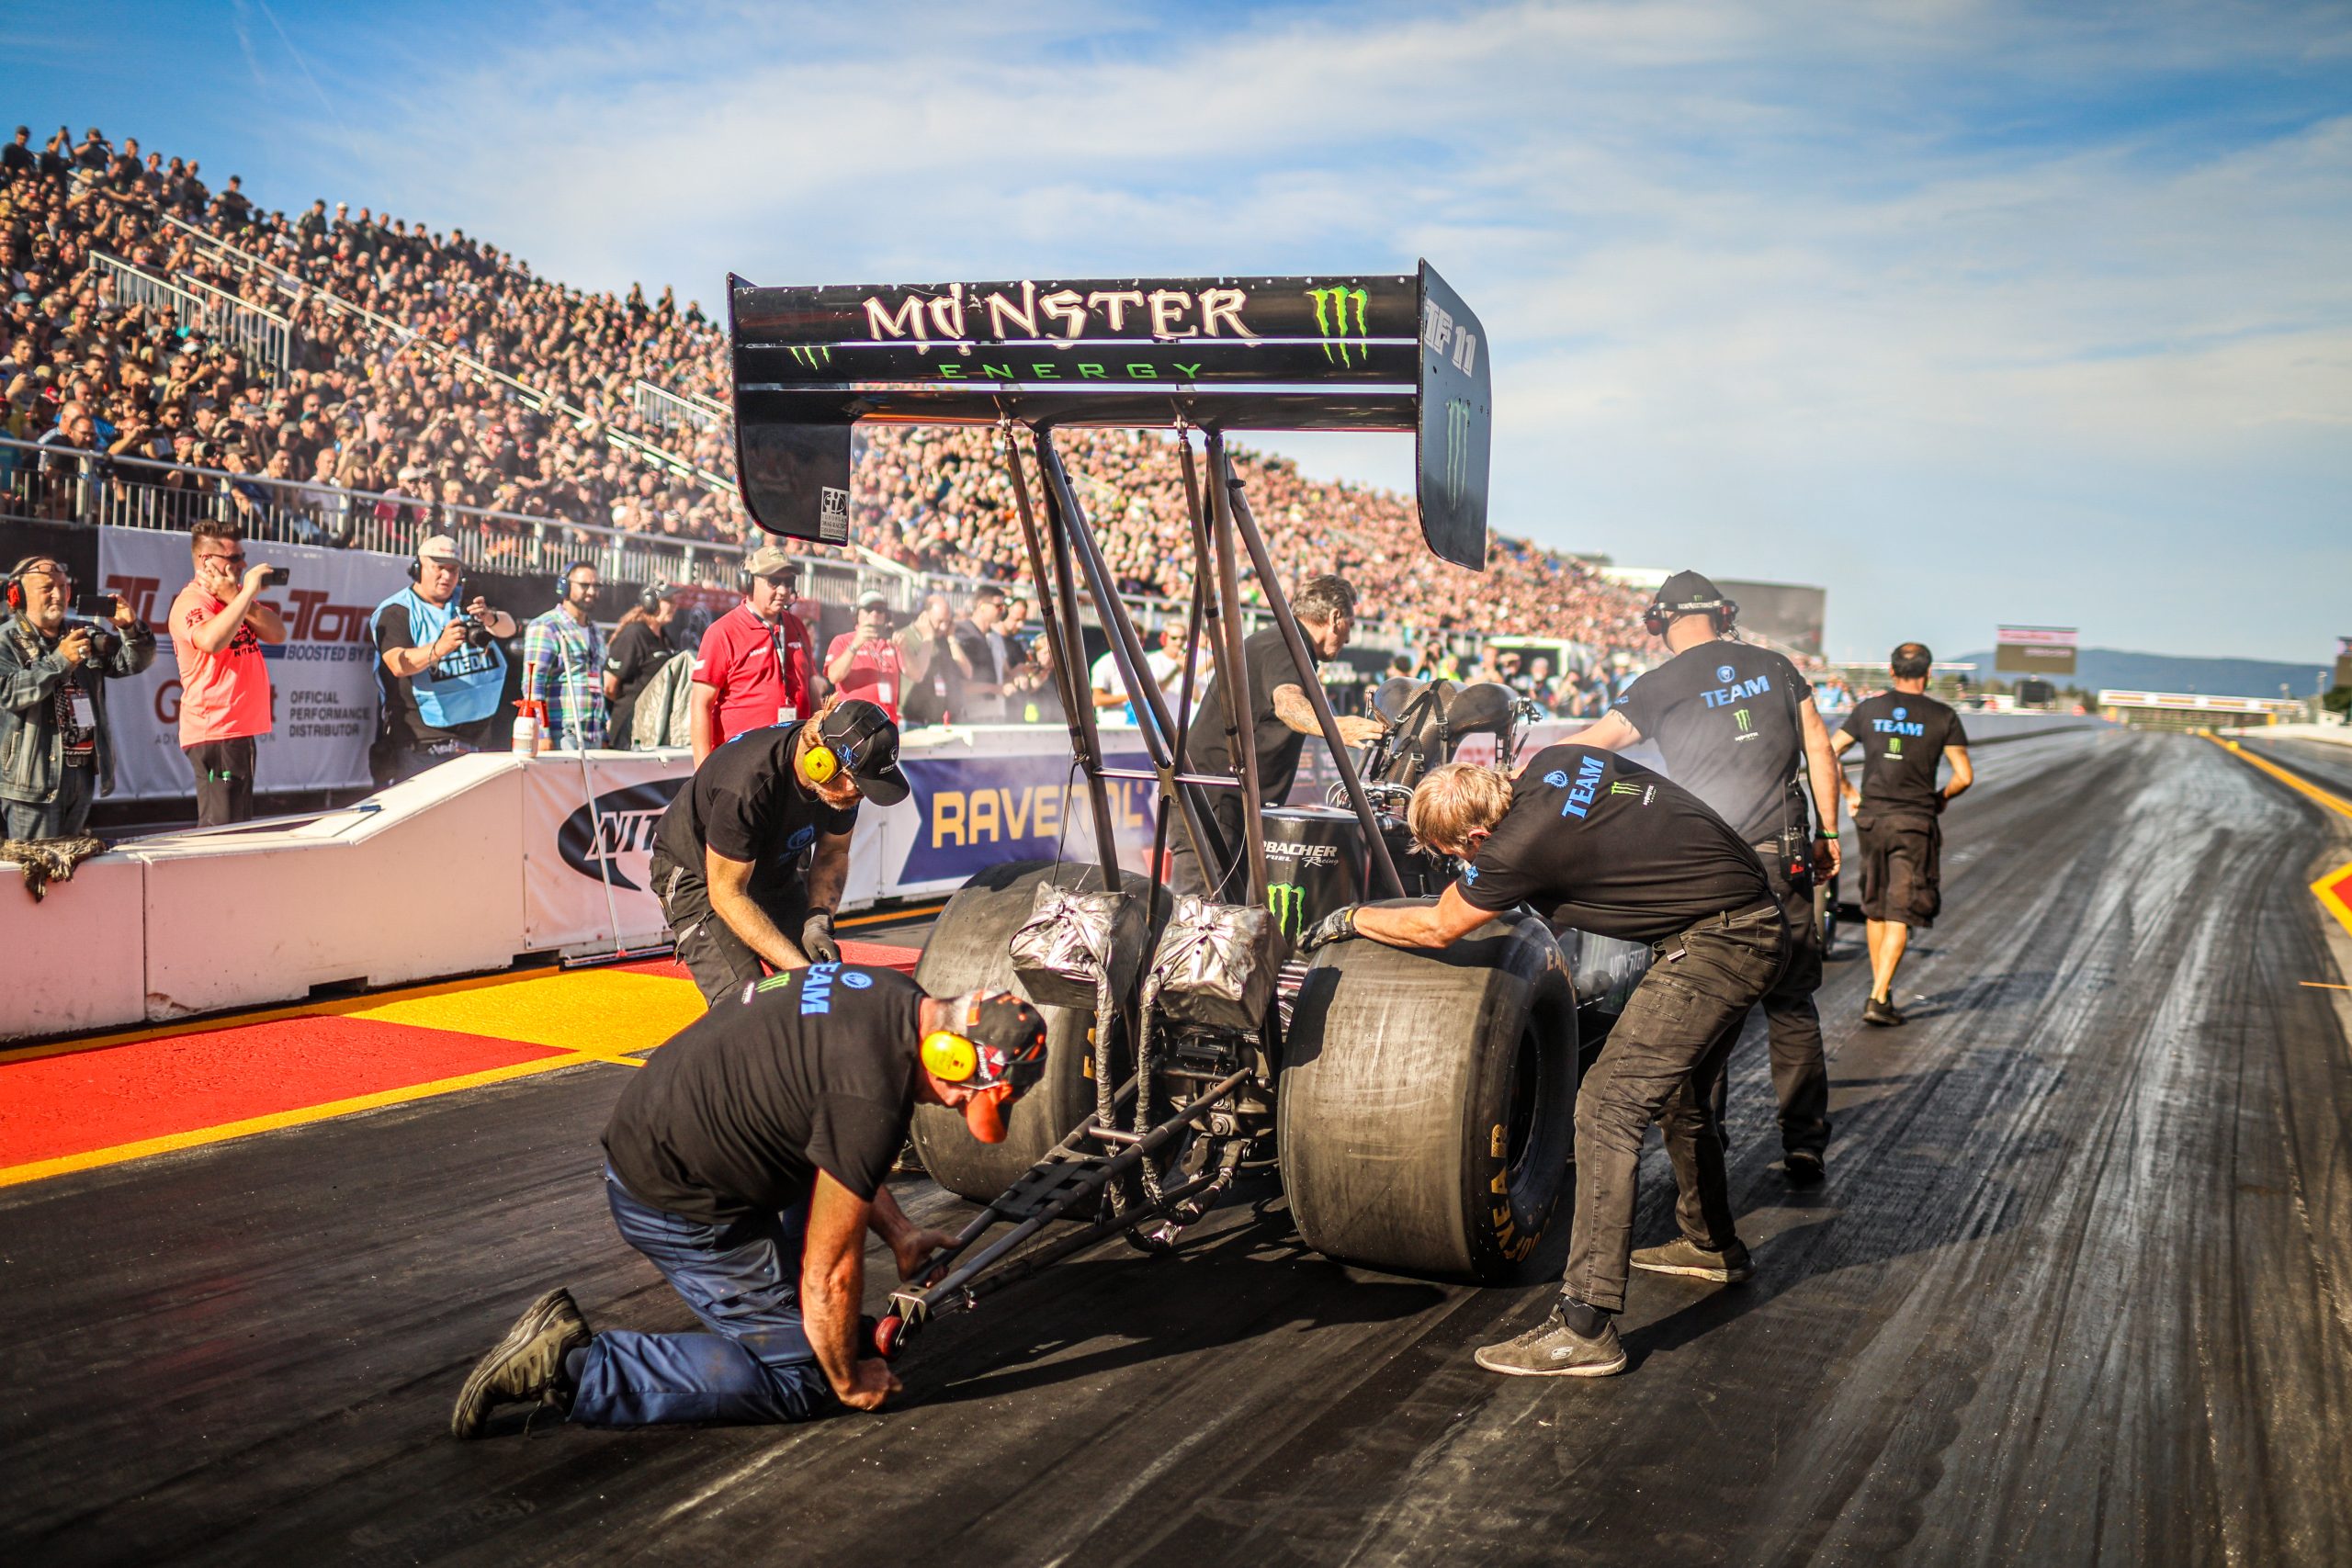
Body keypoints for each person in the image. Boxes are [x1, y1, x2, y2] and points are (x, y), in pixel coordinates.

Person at [1302, 753, 1785, 1378]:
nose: (1464, 865)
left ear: (1477, 836)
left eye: (1458, 854)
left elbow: (1439, 927)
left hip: (1720, 944)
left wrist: (1351, 917)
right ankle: (1712, 1242)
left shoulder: (1513, 848)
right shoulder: (1559, 762)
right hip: (1750, 914)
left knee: (1607, 1105)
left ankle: (1585, 1326)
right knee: (1679, 1092)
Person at [449, 974, 1048, 1435]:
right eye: (968, 1098)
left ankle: (800, 1334)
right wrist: (847, 1376)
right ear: (953, 1059)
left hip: (679, 1135)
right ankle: (571, 1364)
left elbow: (835, 1144)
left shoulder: (897, 1001)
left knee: (822, 1327)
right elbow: (830, 1274)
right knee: (801, 1378)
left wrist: (899, 1233)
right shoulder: (871, 1095)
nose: (954, 1105)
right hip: (676, 1196)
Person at [1566, 570, 1841, 1185]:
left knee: (1708, 1012)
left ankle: (1706, 1151)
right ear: (1723, 614)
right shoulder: (1776, 665)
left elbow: (1595, 743)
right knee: (1793, 1006)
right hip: (1785, 859)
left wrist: (1525, 771)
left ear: (1660, 623)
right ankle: (1804, 1144)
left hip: (1710, 871)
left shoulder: (1659, 683)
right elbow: (1820, 747)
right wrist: (1829, 834)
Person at [649, 696, 910, 1009]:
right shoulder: (747, 785)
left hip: (771, 871)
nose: (861, 795)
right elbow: (727, 894)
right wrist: (800, 973)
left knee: (825, 995)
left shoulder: (843, 786)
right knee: (751, 1004)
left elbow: (832, 854)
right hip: (701, 879)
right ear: (822, 762)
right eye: (859, 784)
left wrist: (818, 920)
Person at [1170, 575, 1385, 897]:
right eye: (1350, 624)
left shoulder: (1280, 641)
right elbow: (1287, 704)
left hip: (1223, 802)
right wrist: (1337, 727)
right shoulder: (1288, 644)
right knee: (1200, 920)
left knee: (1224, 919)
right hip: (1214, 803)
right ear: (1334, 618)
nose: (1350, 638)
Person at [1830, 643, 1972, 1026]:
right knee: (1901, 909)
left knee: (1875, 908)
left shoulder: (1868, 710)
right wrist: (1941, 798)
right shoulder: (1944, 715)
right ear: (1928, 675)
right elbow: (1965, 776)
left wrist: (1849, 793)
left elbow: (1829, 751)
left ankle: (1882, 990)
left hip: (1872, 818)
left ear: (1892, 673)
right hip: (1914, 822)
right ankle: (1878, 997)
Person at [0, 556, 156, 840]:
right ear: (18, 594)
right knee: (36, 872)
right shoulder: (5, 640)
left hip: (80, 775)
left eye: (63, 587)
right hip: (32, 782)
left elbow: (133, 662)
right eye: (47, 588)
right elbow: (9, 693)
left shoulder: (81, 633)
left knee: (71, 874)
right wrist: (60, 660)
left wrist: (130, 628)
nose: (58, 595)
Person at [370, 536, 515, 784]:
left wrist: (489, 618)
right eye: (439, 568)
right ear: (418, 569)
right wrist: (439, 648)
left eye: (453, 570)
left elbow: (509, 628)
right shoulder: (397, 611)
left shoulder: (465, 601)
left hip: (474, 741)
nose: (447, 577)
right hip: (421, 745)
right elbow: (397, 664)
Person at [168, 523, 285, 825]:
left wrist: (238, 596)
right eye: (234, 558)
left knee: (236, 828)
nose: (243, 564)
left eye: (243, 556)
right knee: (221, 831)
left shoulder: (233, 598)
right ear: (207, 562)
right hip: (216, 730)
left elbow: (277, 633)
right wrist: (244, 594)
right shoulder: (192, 601)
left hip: (237, 731)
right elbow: (210, 641)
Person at [690, 545, 815, 767]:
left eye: (788, 582)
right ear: (747, 583)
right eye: (774, 581)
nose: (783, 590)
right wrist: (702, 773)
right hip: (741, 765)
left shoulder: (796, 626)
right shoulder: (723, 631)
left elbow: (811, 689)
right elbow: (701, 704)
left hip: (793, 761)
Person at [522, 561, 608, 750]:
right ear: (565, 586)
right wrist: (542, 733)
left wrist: (604, 726)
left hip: (593, 733)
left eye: (596, 586)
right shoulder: (547, 626)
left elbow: (597, 683)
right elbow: (532, 684)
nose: (592, 592)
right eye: (585, 585)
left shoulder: (596, 631)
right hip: (562, 733)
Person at [603, 583, 680, 746]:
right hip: (629, 727)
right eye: (669, 601)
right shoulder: (634, 634)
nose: (675, 606)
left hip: (653, 724)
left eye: (675, 601)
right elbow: (609, 687)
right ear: (651, 603)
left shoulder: (665, 638)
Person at [824, 591, 905, 722]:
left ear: (886, 616)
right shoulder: (842, 641)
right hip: (854, 725)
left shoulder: (892, 643)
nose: (874, 613)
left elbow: (916, 674)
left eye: (880, 610)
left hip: (887, 726)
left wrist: (905, 647)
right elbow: (834, 677)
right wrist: (855, 644)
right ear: (857, 614)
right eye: (869, 609)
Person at [893, 592, 965, 728]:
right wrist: (928, 638)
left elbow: (966, 672)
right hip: (910, 720)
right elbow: (917, 674)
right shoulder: (904, 638)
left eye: (948, 621)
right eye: (940, 621)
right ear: (924, 616)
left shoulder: (943, 640)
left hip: (937, 721)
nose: (944, 627)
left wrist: (951, 639)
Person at [951, 584, 1009, 721]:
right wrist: (993, 689)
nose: (1002, 610)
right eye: (998, 606)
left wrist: (1020, 674)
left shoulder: (996, 637)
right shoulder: (962, 633)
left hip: (997, 713)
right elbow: (960, 683)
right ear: (981, 605)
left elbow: (1005, 674)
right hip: (972, 714)